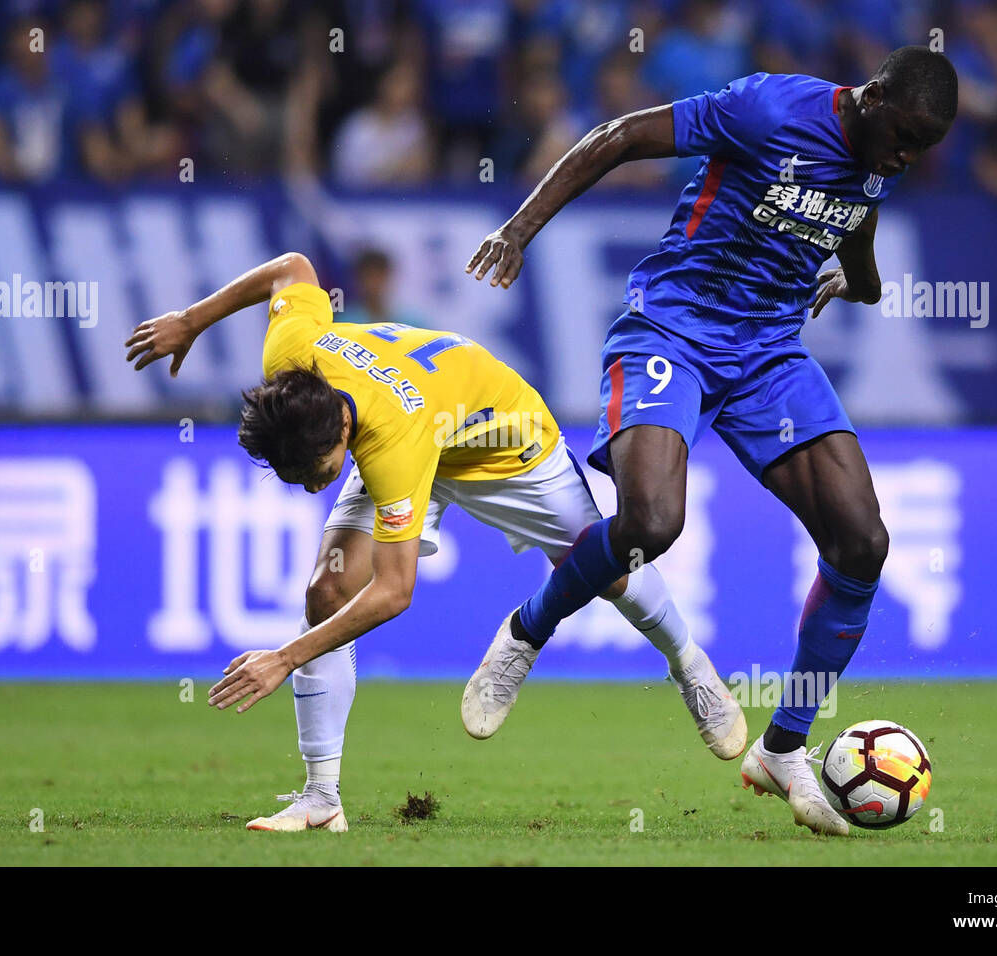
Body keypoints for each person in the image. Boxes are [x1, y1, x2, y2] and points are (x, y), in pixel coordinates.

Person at [465, 47, 957, 835]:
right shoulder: (768, 110)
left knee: (862, 542)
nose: (904, 158)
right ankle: (528, 629)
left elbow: (856, 208)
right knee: (651, 525)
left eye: (918, 151)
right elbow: (623, 135)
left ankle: (785, 747)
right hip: (674, 329)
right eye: (900, 138)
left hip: (770, 354)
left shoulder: (884, 151)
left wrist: (857, 281)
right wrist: (518, 229)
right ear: (870, 98)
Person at [124, 251, 745, 832]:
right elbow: (292, 268)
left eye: (316, 470)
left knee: (610, 572)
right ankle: (321, 799)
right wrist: (191, 320)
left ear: (342, 430)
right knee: (328, 590)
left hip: (506, 445)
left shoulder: (387, 444)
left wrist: (284, 657)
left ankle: (689, 664)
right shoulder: (293, 355)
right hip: (423, 424)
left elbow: (394, 593)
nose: (312, 487)